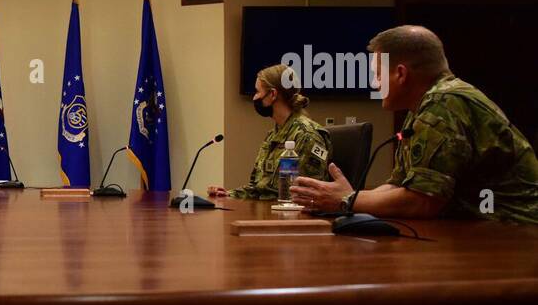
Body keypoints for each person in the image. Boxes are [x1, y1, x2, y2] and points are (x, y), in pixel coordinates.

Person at [292, 26, 538, 223]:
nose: (376, 85)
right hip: (485, 228)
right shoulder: (422, 106)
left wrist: (346, 200)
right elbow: (400, 185)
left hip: (515, 231)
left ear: (400, 73)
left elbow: (423, 201)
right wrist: (345, 199)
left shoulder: (444, 103)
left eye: (378, 75)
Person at [208, 64, 331, 199]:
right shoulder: (273, 135)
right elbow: (258, 188)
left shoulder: (307, 135)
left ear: (272, 94)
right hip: (266, 213)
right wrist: (227, 195)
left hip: (290, 216)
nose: (255, 98)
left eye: (257, 92)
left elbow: (308, 195)